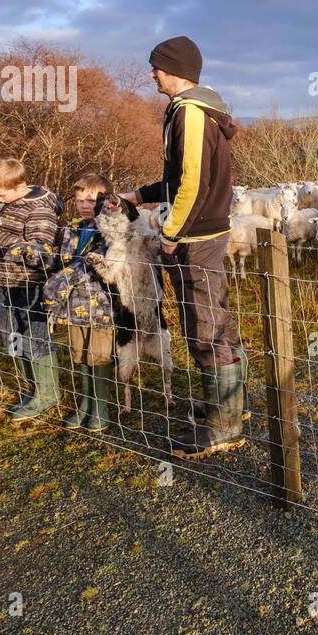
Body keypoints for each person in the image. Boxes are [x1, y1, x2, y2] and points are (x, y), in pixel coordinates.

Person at [119, 36, 247, 458]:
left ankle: (223, 425)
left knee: (204, 329)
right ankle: (230, 405)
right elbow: (180, 178)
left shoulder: (190, 114)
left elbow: (193, 182)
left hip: (195, 236)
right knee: (219, 322)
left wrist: (171, 233)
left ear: (173, 68)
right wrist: (140, 195)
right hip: (207, 228)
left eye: (155, 66)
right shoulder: (200, 111)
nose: (151, 73)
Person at [0, 156, 63, 420]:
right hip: (4, 282)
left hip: (30, 285)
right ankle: (33, 388)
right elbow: (1, 237)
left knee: (35, 340)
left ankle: (48, 394)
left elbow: (43, 254)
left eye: (0, 196)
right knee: (13, 339)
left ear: (19, 185)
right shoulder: (3, 201)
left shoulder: (40, 210)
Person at [43, 173, 116, 431]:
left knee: (99, 354)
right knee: (81, 354)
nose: (85, 205)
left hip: (101, 305)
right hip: (73, 304)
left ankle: (101, 408)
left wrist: (60, 279)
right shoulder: (73, 228)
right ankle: (85, 405)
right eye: (79, 200)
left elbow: (95, 262)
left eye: (91, 199)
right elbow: (62, 259)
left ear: (106, 199)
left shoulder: (110, 228)